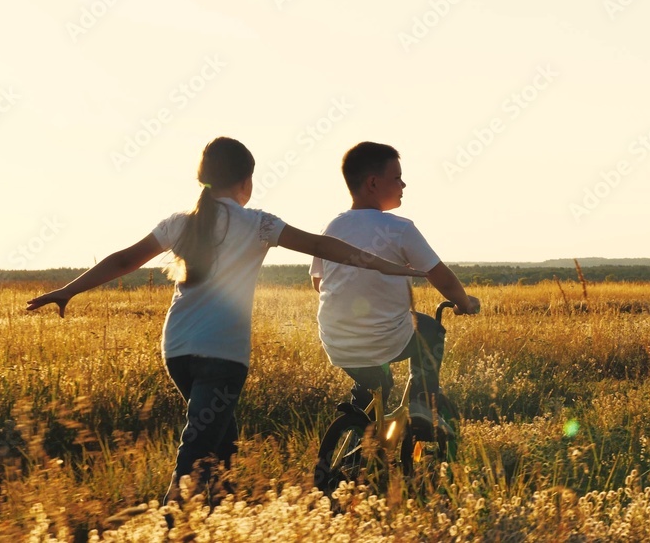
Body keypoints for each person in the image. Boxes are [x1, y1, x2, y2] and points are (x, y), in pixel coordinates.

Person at [26, 137, 427, 507]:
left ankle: (220, 512)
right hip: (223, 355)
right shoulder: (258, 223)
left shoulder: (179, 222)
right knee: (197, 450)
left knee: (221, 442)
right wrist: (388, 267)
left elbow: (122, 260)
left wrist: (68, 290)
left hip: (178, 350)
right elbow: (324, 247)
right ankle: (173, 517)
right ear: (245, 181)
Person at [310, 141, 480, 422]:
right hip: (385, 339)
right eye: (397, 177)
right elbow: (442, 278)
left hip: (336, 342)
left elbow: (319, 284)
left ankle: (357, 437)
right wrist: (465, 303)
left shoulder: (332, 227)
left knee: (376, 386)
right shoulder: (399, 228)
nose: (404, 184)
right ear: (373, 183)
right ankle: (422, 404)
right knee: (431, 331)